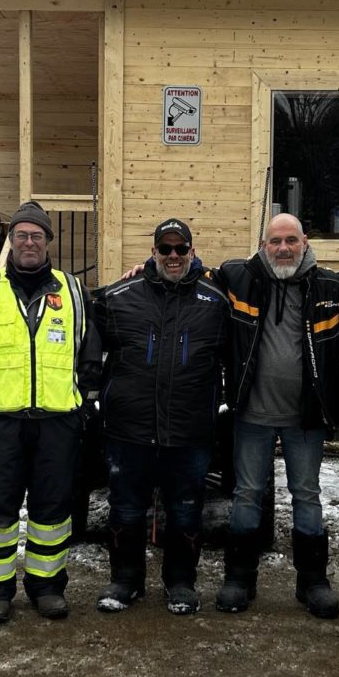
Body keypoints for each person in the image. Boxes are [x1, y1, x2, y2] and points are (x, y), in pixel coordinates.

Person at [0, 201, 101, 625]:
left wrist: (82, 403)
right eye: (21, 235)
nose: (29, 242)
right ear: (11, 242)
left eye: (37, 235)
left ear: (49, 242)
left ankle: (47, 587)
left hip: (58, 424)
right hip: (0, 423)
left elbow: (89, 353)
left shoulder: (71, 291)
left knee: (52, 511)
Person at [91, 218, 229, 615]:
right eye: (165, 249)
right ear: (152, 252)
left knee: (186, 508)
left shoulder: (216, 300)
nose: (173, 256)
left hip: (189, 430)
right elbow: (76, 323)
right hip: (128, 429)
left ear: (191, 250)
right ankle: (125, 581)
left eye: (180, 249)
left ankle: (181, 582)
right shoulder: (119, 296)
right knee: (125, 509)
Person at [211, 213, 339, 619]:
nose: (283, 248)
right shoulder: (239, 277)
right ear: (263, 244)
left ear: (304, 241)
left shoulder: (330, 284)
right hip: (251, 413)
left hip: (304, 417)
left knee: (307, 496)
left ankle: (313, 582)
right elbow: (188, 271)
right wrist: (143, 265)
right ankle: (239, 578)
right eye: (275, 241)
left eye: (291, 240)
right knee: (246, 495)